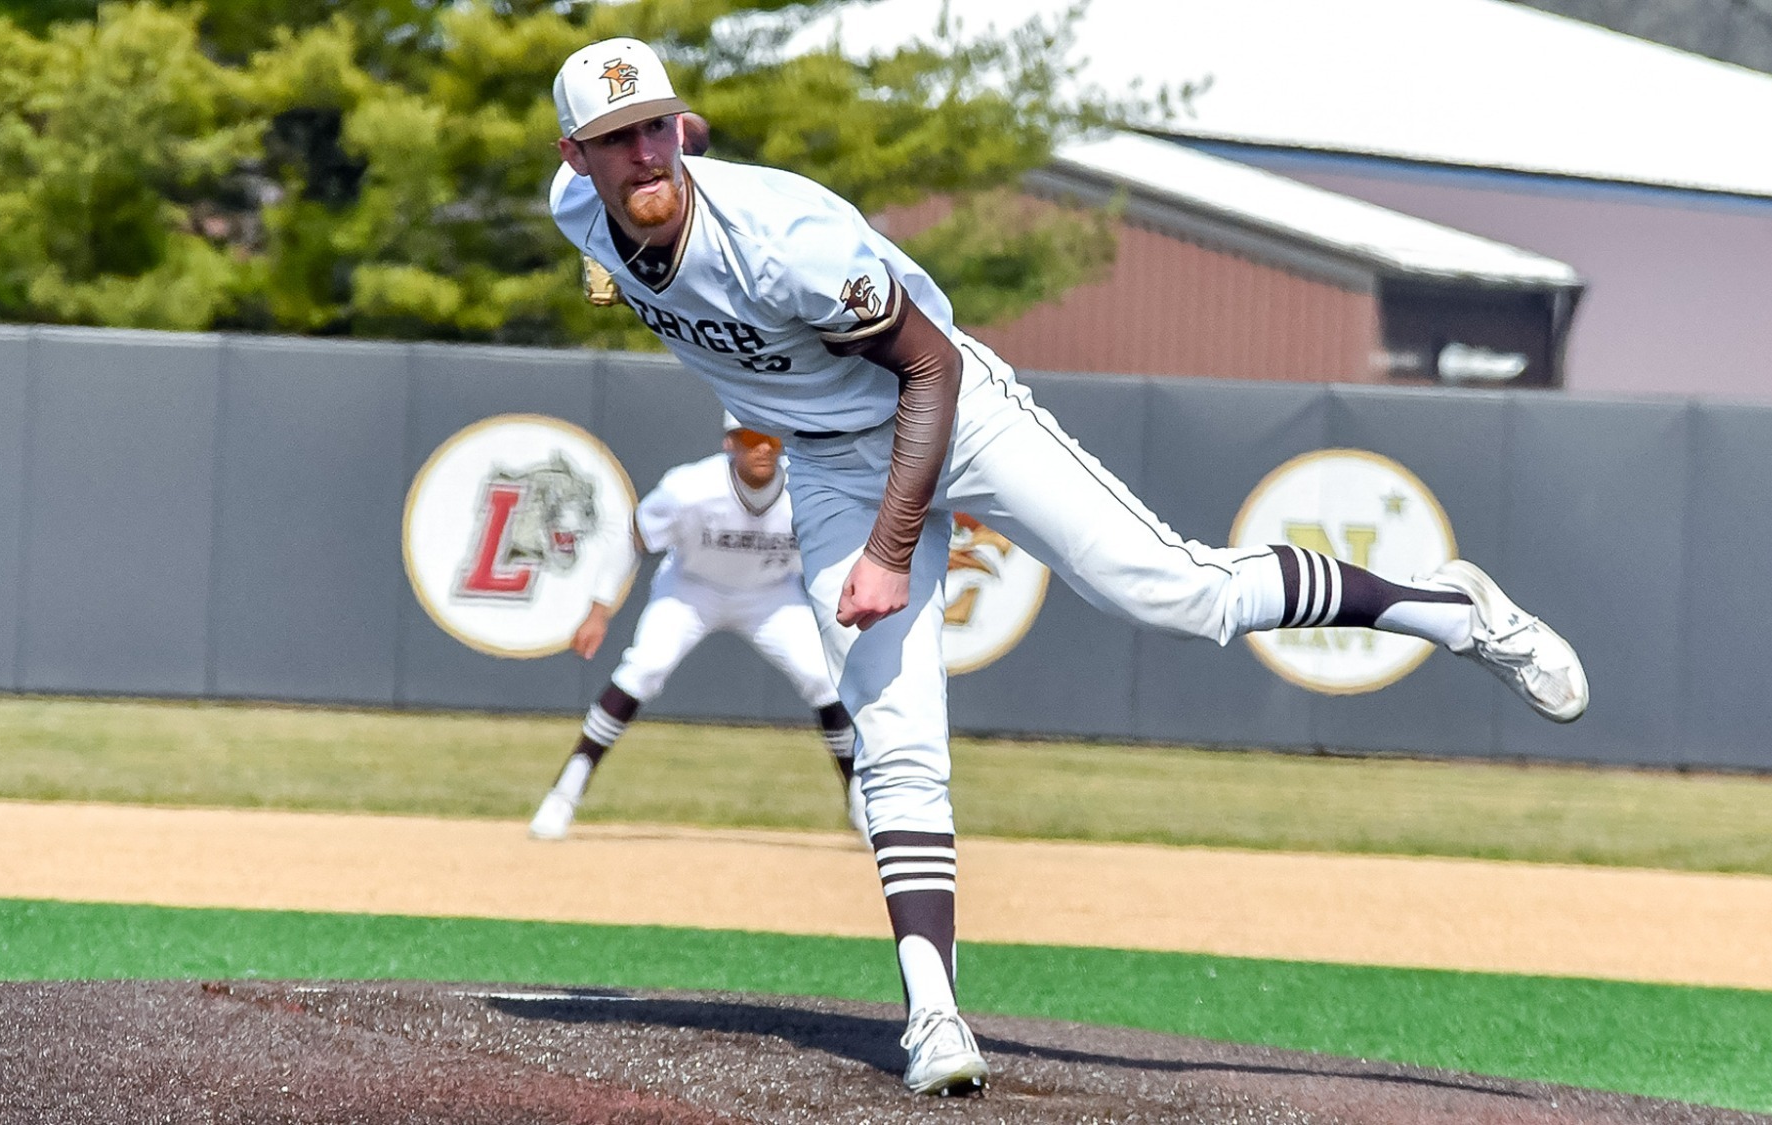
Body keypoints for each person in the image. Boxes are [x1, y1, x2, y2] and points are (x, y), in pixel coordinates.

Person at [548, 37, 1589, 1096]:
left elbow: (929, 366)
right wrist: (644, 205)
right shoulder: (577, 206)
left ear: (675, 127)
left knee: (1181, 592)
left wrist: (889, 551)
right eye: (615, 139)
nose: (645, 154)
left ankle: (1450, 611)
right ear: (574, 156)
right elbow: (641, 180)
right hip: (823, 463)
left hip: (953, 417)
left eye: (656, 128)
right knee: (892, 730)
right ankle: (934, 1016)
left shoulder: (783, 242)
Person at [529, 417, 866, 843]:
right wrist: (599, 611)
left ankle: (860, 800)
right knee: (644, 668)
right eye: (751, 437)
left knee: (822, 678)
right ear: (730, 443)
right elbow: (634, 537)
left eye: (772, 437)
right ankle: (565, 792)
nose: (764, 448)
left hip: (771, 594)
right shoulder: (690, 489)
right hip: (692, 589)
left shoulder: (808, 488)